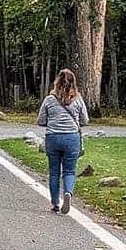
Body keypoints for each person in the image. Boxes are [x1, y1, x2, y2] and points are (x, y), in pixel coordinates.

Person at [37, 68, 89, 215]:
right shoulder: (78, 99)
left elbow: (40, 121)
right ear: (73, 83)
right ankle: (68, 193)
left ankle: (55, 203)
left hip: (53, 137)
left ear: (57, 82)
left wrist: (53, 121)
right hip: (72, 138)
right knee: (69, 171)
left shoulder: (49, 99)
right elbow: (85, 120)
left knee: (54, 172)